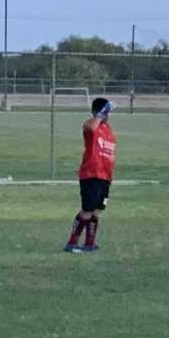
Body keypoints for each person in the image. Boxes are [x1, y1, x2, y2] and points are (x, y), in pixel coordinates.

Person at [65, 97, 117, 253]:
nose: (108, 115)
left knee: (96, 211)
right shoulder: (90, 124)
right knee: (87, 210)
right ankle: (72, 242)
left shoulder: (108, 129)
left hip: (105, 177)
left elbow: (110, 153)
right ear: (97, 112)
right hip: (91, 174)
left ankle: (89, 243)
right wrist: (99, 115)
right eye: (106, 112)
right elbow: (91, 129)